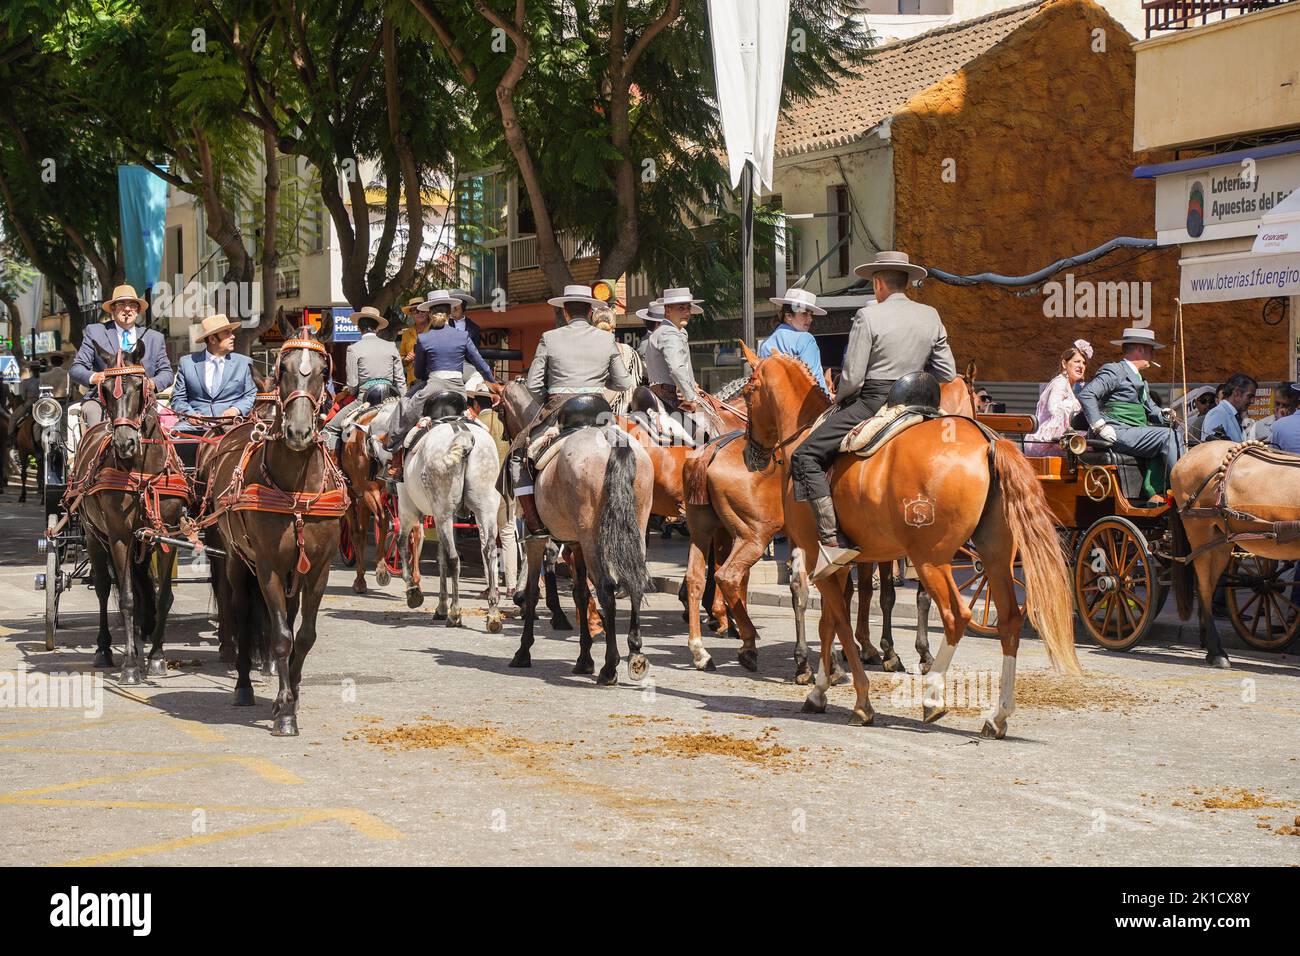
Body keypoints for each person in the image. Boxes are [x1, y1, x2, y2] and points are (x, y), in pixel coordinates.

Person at [791, 250, 956, 581]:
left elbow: (852, 376)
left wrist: (839, 399)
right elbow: (947, 370)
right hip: (923, 404)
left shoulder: (869, 317)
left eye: (872, 284)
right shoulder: (931, 315)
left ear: (879, 283)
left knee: (804, 454)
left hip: (876, 401)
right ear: (905, 282)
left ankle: (832, 542)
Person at [509, 284, 634, 536]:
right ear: (590, 312)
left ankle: (534, 524)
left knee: (517, 456)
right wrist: (596, 388)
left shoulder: (549, 338)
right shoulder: (607, 338)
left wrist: (551, 396)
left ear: (565, 312)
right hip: (598, 410)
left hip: (560, 409)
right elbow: (623, 383)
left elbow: (532, 384)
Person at [384, 291, 499, 482]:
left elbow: (420, 373)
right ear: (449, 313)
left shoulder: (424, 339)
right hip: (458, 393)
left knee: (404, 405)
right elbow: (481, 364)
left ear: (430, 314)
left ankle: (394, 454)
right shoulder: (462, 336)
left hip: (432, 389)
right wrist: (494, 384)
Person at [1077, 326, 1183, 506]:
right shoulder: (1115, 370)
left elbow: (1151, 409)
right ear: (1140, 349)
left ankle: (1156, 492)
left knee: (1171, 431)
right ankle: (1183, 489)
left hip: (1132, 431)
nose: (1153, 355)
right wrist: (1100, 426)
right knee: (1168, 437)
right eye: (1151, 350)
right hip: (1115, 430)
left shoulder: (1140, 380)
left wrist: (1165, 414)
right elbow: (1087, 394)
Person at [70, 284, 173, 427]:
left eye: (132, 304)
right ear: (112, 309)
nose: (127, 309)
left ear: (137, 310)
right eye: (121, 304)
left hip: (142, 400)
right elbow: (76, 368)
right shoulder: (95, 332)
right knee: (91, 411)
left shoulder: (154, 338)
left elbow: (167, 373)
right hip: (104, 401)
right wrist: (95, 377)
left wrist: (151, 384)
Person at [322, 306, 403, 456]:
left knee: (330, 428)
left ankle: (336, 469)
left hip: (365, 399)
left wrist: (347, 391)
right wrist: (403, 403)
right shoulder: (391, 346)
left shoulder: (353, 349)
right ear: (377, 328)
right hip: (391, 398)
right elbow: (400, 380)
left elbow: (353, 386)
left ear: (359, 328)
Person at [170, 314, 256, 431]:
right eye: (227, 333)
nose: (233, 336)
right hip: (195, 426)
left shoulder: (244, 363)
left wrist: (235, 410)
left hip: (233, 425)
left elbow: (251, 394)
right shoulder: (187, 363)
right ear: (212, 339)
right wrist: (191, 416)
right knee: (175, 437)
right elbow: (178, 399)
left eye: (231, 332)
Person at [759, 288, 831, 398]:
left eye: (810, 314)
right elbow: (813, 380)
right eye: (804, 314)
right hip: (806, 406)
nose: (810, 319)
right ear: (788, 316)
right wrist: (828, 400)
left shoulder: (765, 344)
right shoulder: (805, 339)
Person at [1025, 340, 1092, 456]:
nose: (1081, 366)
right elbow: (1053, 410)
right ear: (1064, 364)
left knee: (1090, 442)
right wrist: (1077, 405)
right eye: (1076, 361)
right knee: (1090, 446)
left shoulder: (1069, 385)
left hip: (1053, 440)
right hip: (1043, 443)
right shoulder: (1060, 382)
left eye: (1084, 363)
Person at [592, 305, 644, 415]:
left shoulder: (584, 350)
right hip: (620, 416)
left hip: (591, 410)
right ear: (614, 327)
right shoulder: (628, 351)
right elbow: (633, 384)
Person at [1200, 373, 1257, 444]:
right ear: (1236, 393)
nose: (1252, 401)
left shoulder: (1238, 415)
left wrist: (1246, 419)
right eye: (1249, 396)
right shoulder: (1218, 414)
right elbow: (1215, 448)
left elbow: (1249, 443)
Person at [398, 295, 430, 387]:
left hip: (432, 379)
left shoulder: (435, 329)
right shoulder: (406, 333)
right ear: (411, 314)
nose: (420, 313)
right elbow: (401, 358)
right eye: (416, 311)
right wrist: (406, 360)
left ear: (428, 312)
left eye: (422, 310)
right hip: (413, 381)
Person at [1267, 383, 1300, 453]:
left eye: (1286, 405)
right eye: (1277, 404)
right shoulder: (1259, 425)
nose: (1280, 408)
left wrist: (1282, 422)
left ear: (1296, 405)